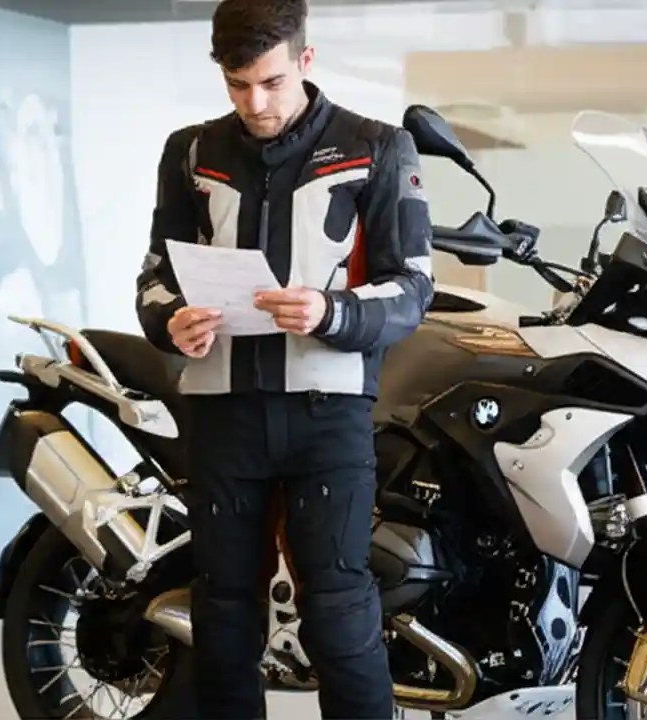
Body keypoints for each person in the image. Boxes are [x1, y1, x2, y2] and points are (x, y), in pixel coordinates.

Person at [133, 0, 434, 716]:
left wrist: (333, 312)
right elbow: (153, 278)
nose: (254, 103)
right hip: (221, 412)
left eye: (268, 82)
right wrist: (170, 320)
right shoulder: (190, 152)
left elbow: (414, 288)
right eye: (237, 86)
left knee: (338, 609)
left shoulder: (380, 146)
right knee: (225, 612)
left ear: (305, 60)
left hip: (327, 414)